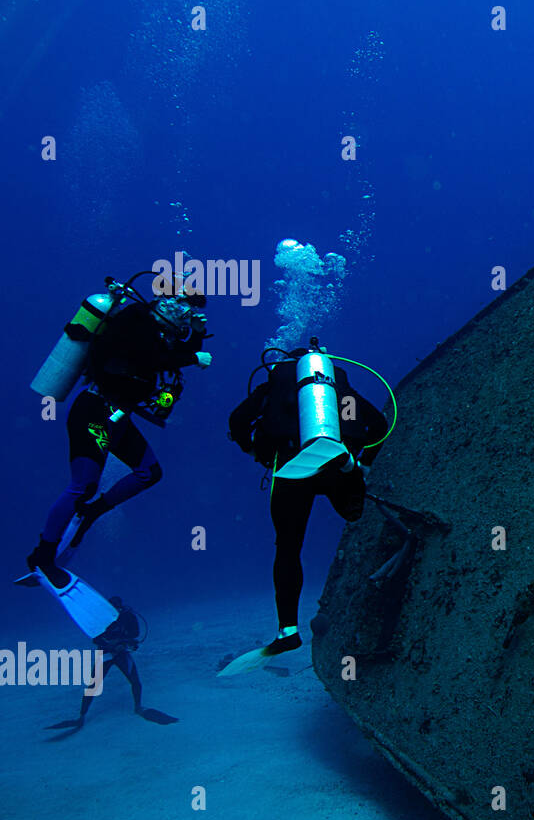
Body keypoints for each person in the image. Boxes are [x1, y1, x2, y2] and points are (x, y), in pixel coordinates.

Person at [27, 281, 212, 589]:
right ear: (166, 301)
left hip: (118, 415)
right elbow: (148, 359)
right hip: (95, 409)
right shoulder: (134, 318)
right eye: (185, 306)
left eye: (191, 309)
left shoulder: (156, 330)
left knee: (149, 472)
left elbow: (172, 355)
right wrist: (193, 357)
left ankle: (90, 514)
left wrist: (197, 335)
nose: (186, 313)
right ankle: (42, 557)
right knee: (83, 485)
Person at [227, 341, 388, 657]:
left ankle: (287, 630)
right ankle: (346, 464)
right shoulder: (338, 386)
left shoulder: (272, 385)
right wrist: (364, 464)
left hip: (290, 468)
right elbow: (379, 425)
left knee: (288, 548)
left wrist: (253, 451)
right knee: (352, 512)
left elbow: (236, 421)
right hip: (335, 468)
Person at [45, 597, 178, 731]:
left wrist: (122, 643)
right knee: (94, 685)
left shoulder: (128, 616)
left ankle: (138, 707)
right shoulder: (100, 618)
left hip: (121, 653)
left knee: (135, 681)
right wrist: (112, 645)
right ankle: (82, 716)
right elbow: (95, 637)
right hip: (106, 654)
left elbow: (135, 633)